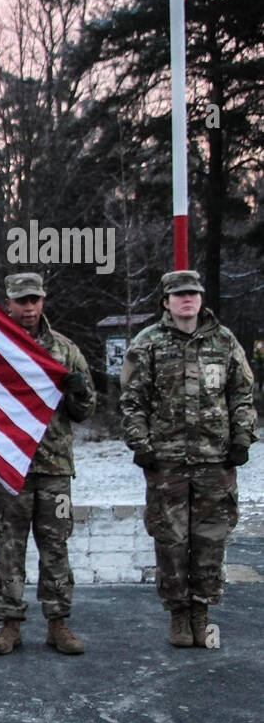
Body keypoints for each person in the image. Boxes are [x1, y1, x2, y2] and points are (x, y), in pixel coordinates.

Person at [120, 270, 256, 648]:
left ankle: (202, 611)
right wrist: (141, 444)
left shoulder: (224, 341)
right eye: (179, 294)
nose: (187, 300)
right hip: (167, 461)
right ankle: (179, 614)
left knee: (211, 539)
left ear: (201, 298)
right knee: (171, 539)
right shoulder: (148, 343)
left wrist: (242, 438)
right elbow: (132, 401)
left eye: (193, 293)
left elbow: (241, 394)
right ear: (166, 301)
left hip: (215, 461)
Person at [0, 273, 96, 656]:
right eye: (21, 301)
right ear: (9, 304)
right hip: (10, 466)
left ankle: (58, 623)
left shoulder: (64, 350)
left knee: (55, 545)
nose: (29, 308)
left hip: (54, 469)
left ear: (43, 301)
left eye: (34, 300)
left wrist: (78, 393)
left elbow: (86, 409)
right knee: (9, 547)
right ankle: (10, 624)